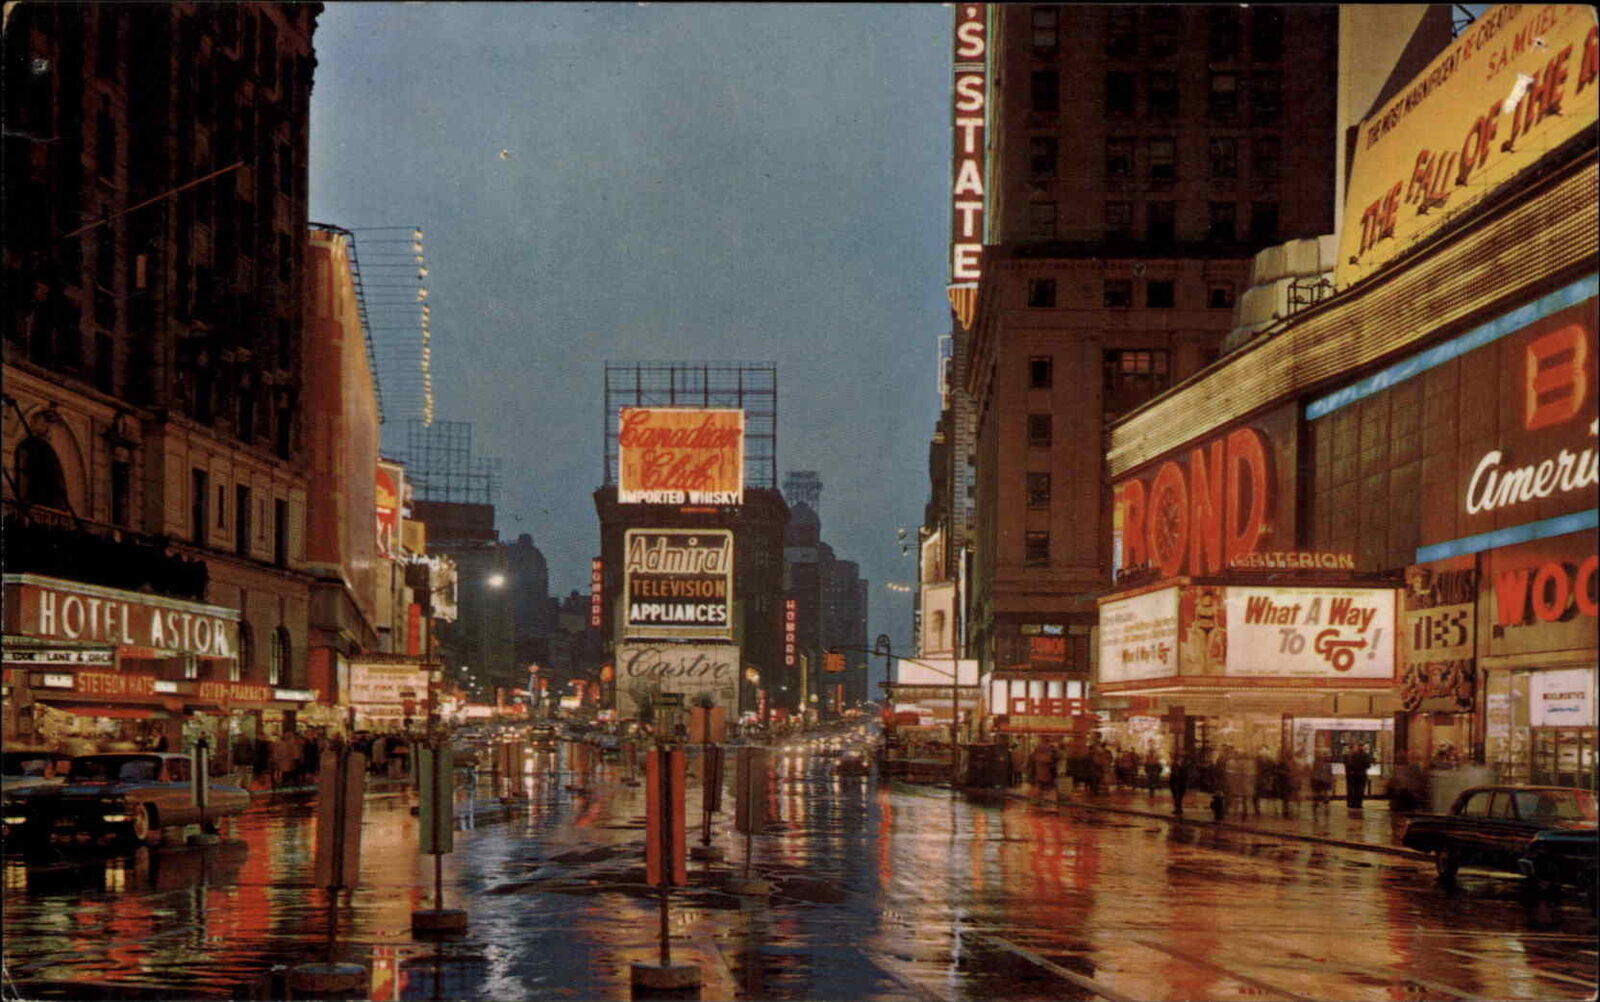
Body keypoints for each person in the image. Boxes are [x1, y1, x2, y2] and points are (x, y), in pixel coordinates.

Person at [1343, 743, 1373, 809]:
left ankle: (1351, 803)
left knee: (1351, 789)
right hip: (1361, 774)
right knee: (1360, 790)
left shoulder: (1350, 755)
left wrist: (1350, 771)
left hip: (1352, 775)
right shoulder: (1365, 755)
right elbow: (1368, 765)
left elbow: (1347, 764)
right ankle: (1358, 804)